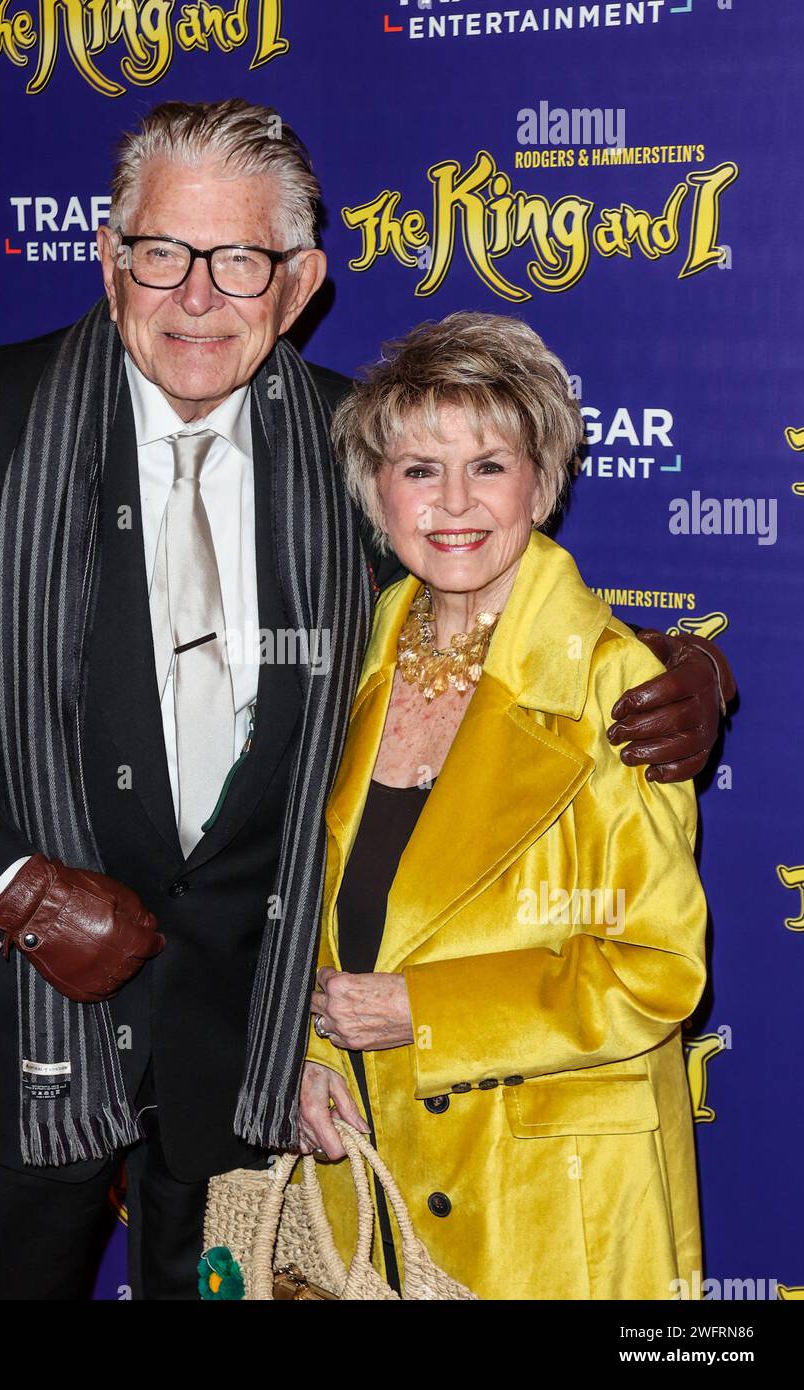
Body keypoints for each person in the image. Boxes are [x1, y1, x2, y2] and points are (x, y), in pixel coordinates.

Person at [0, 100, 731, 1302]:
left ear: (296, 283)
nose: (197, 297)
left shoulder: (356, 448)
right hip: (7, 1034)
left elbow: (482, 588)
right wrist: (16, 889)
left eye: (239, 260)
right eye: (161, 253)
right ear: (107, 254)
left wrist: (684, 670)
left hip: (250, 1062)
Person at [298, 311, 711, 1300]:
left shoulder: (616, 687)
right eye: (416, 468)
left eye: (487, 464)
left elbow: (654, 969)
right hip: (373, 1192)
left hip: (548, 1212)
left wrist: (421, 1012)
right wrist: (302, 1055)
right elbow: (310, 912)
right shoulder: (348, 655)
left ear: (542, 478)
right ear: (374, 487)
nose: (451, 503)